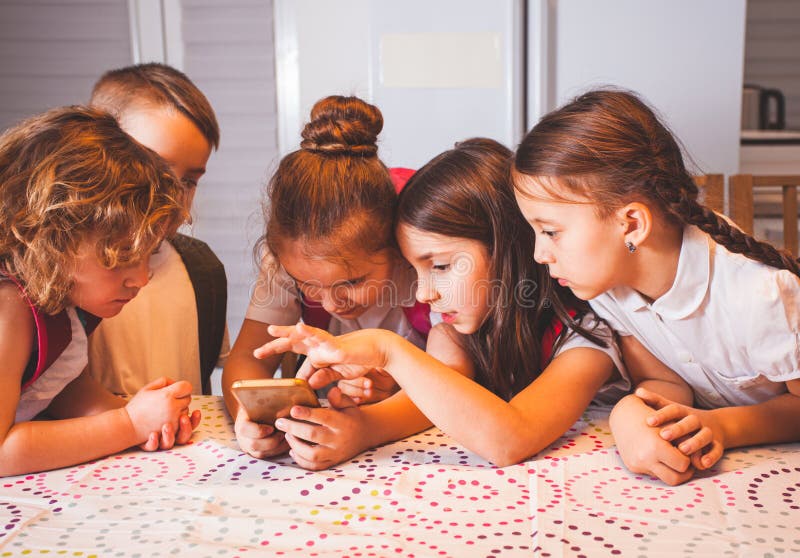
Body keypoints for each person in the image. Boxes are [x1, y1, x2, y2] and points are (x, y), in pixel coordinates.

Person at [254, 138, 628, 468]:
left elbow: (510, 441)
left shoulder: (586, 341)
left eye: (441, 266)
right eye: (417, 271)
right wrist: (357, 424)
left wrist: (388, 350)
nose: (423, 294)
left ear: (507, 249)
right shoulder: (455, 331)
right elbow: (423, 400)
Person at [510, 88, 800, 485]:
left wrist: (725, 427)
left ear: (631, 224)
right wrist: (631, 413)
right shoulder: (610, 284)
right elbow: (667, 381)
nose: (539, 254)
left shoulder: (757, 295)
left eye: (550, 231)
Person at [222, 95, 431, 460]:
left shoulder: (425, 251)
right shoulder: (289, 254)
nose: (332, 303)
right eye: (309, 285)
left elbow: (460, 378)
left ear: (395, 246)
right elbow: (248, 359)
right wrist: (249, 416)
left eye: (352, 282)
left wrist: (368, 426)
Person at [0, 106, 201, 477]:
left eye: (147, 255)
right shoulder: (8, 307)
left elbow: (63, 390)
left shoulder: (61, 298)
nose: (140, 279)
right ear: (49, 237)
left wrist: (149, 419)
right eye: (121, 255)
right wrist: (126, 424)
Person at [87, 62, 227, 396]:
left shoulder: (203, 270)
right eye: (153, 170)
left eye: (189, 182)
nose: (174, 199)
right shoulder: (56, 276)